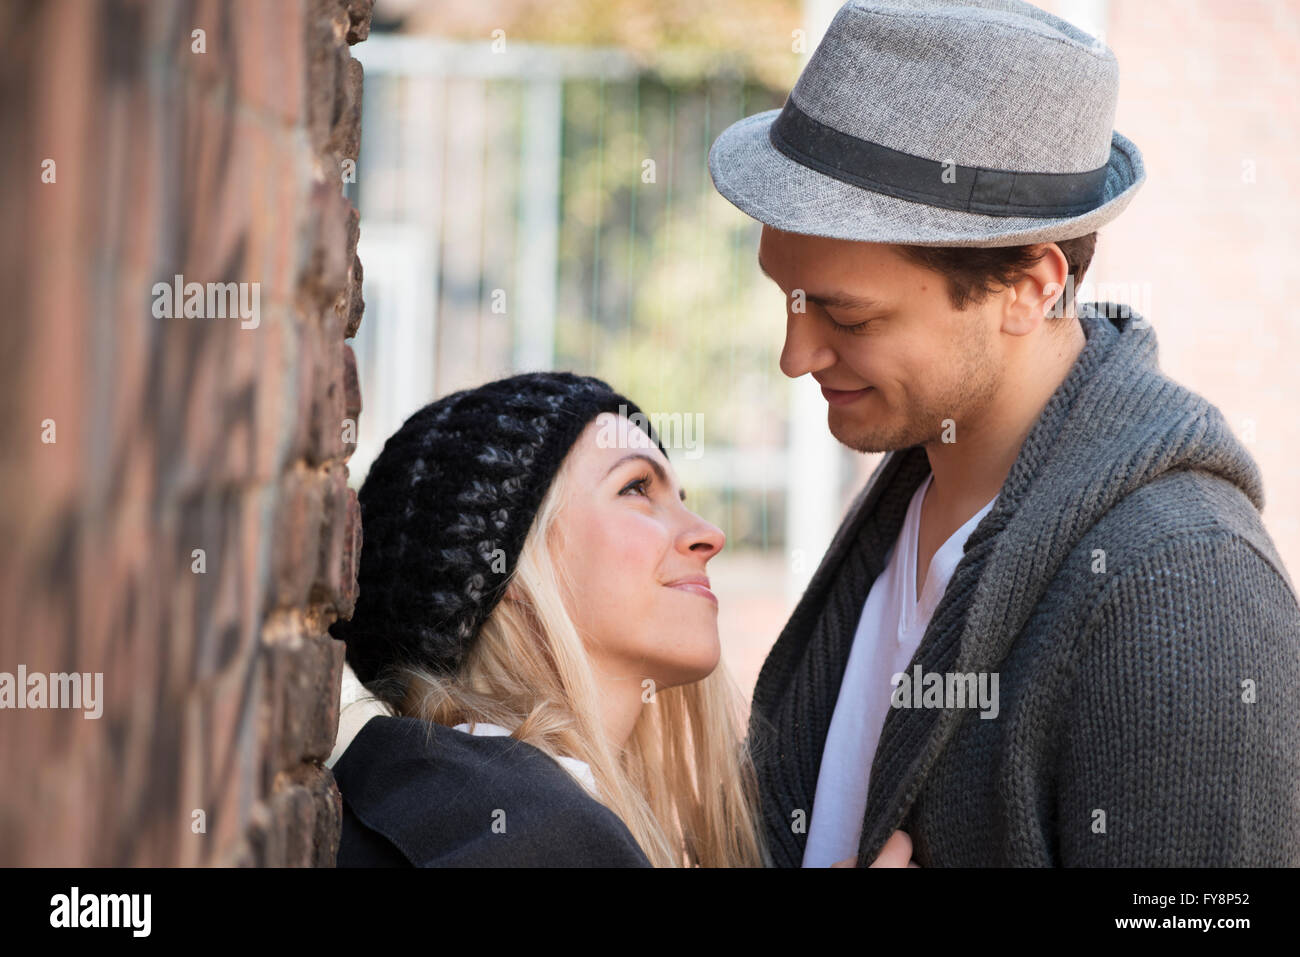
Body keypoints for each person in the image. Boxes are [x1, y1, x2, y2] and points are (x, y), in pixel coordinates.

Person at [707, 0, 1300, 866]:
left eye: (847, 314)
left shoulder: (1180, 587)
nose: (795, 356)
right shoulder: (909, 503)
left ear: (1029, 286)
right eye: (788, 298)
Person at [326, 371, 913, 866]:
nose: (708, 534)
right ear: (503, 575)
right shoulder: (534, 833)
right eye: (636, 488)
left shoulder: (449, 802)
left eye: (680, 496)